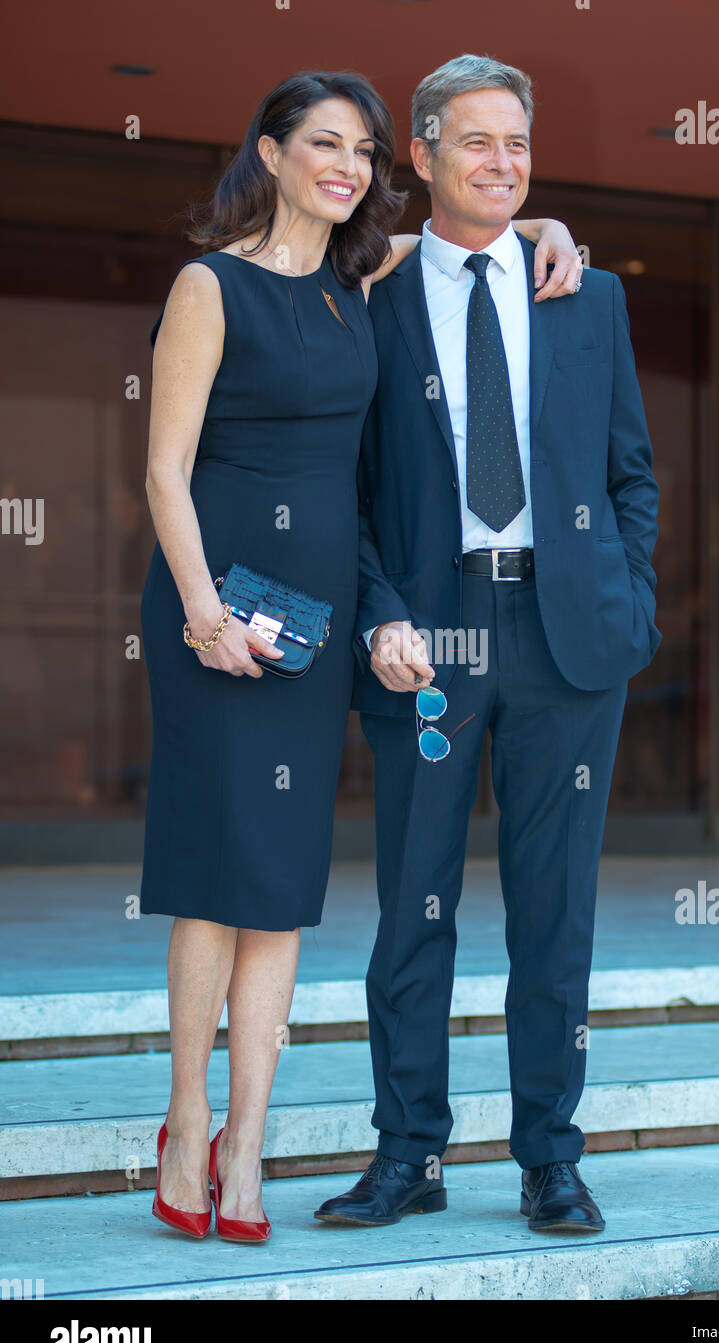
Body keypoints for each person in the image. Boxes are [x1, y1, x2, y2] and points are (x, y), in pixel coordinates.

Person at [139, 67, 581, 1241]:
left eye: (364, 150)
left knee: (280, 890)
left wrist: (541, 218)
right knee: (210, 878)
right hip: (216, 605)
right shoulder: (209, 284)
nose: (346, 166)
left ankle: (249, 1151)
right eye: (323, 143)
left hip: (313, 621)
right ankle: (188, 1126)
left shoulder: (356, 284)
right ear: (271, 151)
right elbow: (162, 470)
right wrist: (198, 611)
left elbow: (475, 234)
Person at [315, 54, 661, 1234]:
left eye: (517, 142)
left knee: (555, 912)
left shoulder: (586, 293)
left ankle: (550, 1157)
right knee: (414, 901)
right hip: (433, 636)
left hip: (568, 640)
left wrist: (632, 598)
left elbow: (630, 471)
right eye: (476, 142)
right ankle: (407, 1152)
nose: (502, 163)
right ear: (421, 155)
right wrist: (379, 613)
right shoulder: (374, 293)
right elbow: (348, 492)